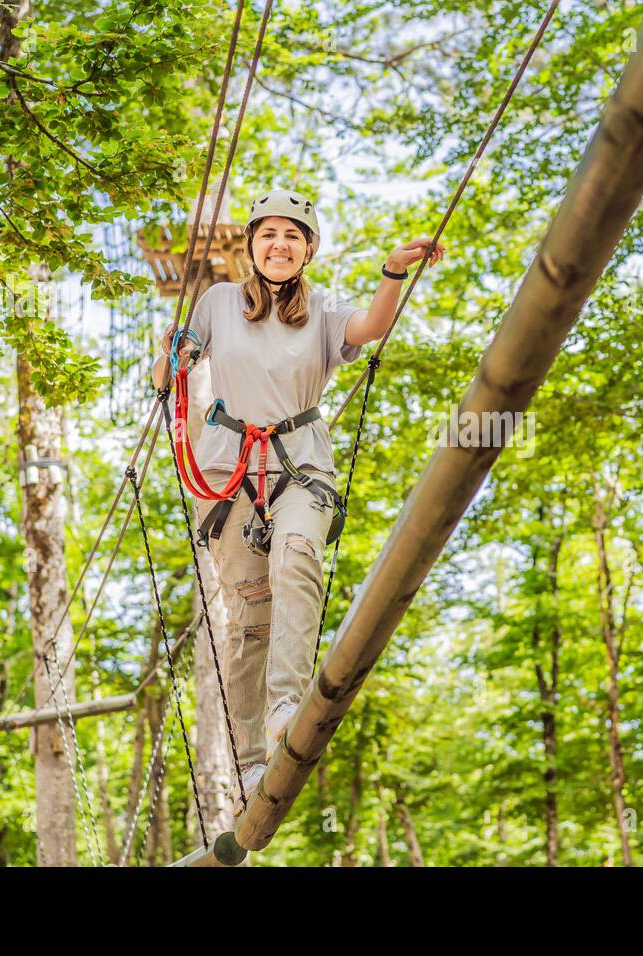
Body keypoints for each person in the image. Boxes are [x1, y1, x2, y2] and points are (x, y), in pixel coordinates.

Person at [151, 189, 445, 801]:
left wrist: (393, 272)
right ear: (252, 245)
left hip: (300, 464)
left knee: (297, 557)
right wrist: (170, 354)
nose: (279, 245)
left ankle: (288, 700)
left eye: (292, 236)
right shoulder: (218, 301)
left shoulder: (326, 310)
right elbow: (170, 377)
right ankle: (250, 761)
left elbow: (371, 326)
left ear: (308, 249)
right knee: (248, 623)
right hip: (227, 473)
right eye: (268, 235)